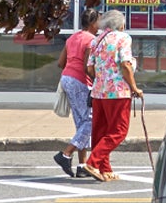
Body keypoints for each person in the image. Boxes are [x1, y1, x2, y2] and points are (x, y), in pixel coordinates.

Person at [85, 10, 143, 182]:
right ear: (121, 24)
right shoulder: (123, 38)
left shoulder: (96, 39)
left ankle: (104, 168)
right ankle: (93, 162)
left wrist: (102, 78)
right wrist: (134, 87)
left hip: (98, 92)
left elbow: (90, 68)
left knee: (101, 131)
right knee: (119, 131)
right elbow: (125, 64)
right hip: (117, 91)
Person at [53, 13, 97, 179]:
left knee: (81, 122)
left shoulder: (72, 38)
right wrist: (97, 80)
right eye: (98, 20)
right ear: (92, 22)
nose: (99, 24)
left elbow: (60, 63)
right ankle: (65, 154)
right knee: (90, 121)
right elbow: (88, 67)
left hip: (67, 79)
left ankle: (82, 165)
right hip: (80, 81)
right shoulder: (91, 40)